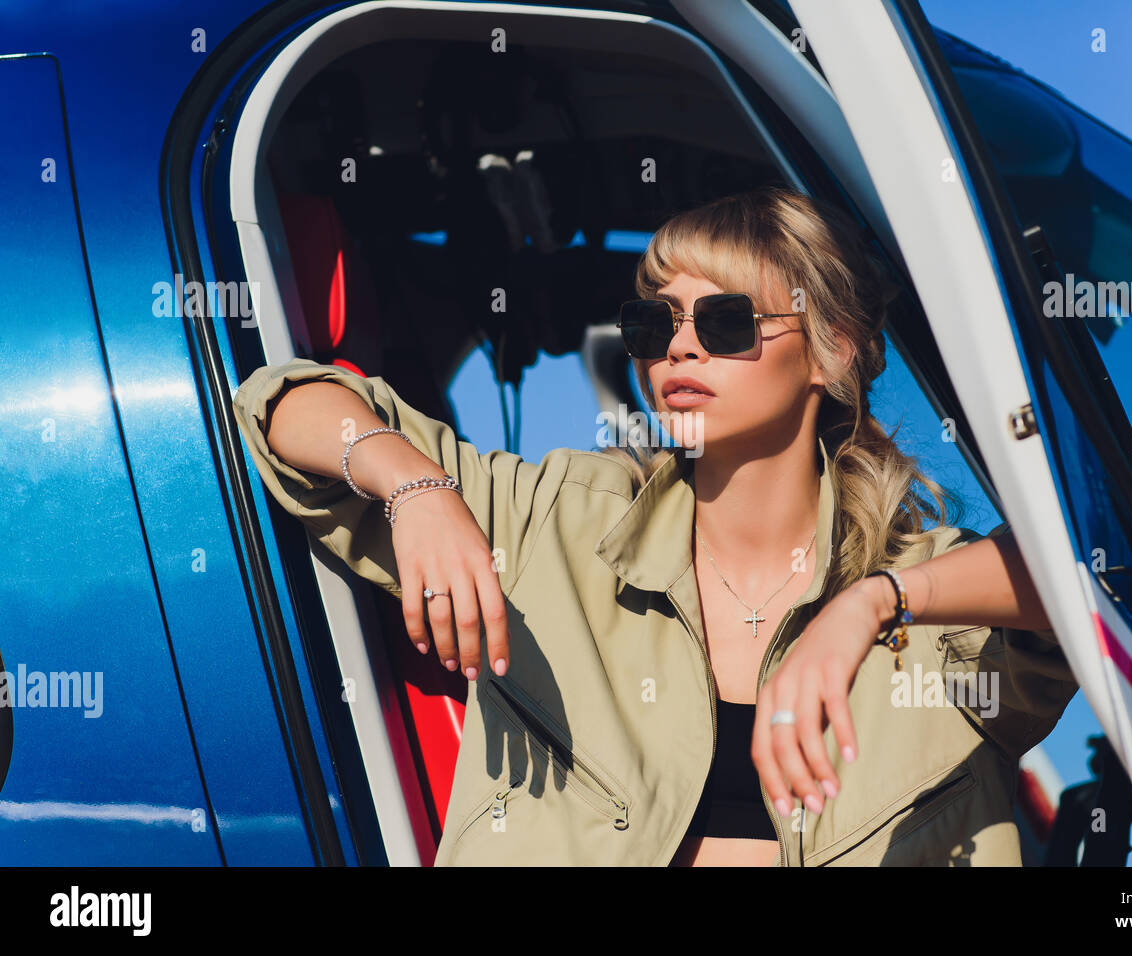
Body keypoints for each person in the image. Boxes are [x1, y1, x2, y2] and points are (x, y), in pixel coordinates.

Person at [231, 185, 1078, 866]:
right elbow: (282, 407)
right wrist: (416, 486)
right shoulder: (555, 523)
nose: (678, 348)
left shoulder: (936, 610)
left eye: (724, 322)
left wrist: (872, 606)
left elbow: (1085, 584)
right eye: (654, 322)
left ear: (834, 350)